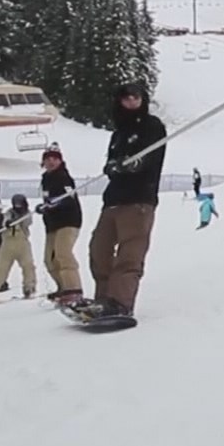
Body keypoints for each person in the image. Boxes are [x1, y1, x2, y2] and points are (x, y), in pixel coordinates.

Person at [75, 81, 167, 320]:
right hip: (114, 200)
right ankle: (103, 299)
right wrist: (112, 167)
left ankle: (120, 303)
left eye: (136, 97)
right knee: (98, 249)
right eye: (126, 98)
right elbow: (112, 163)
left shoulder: (152, 126)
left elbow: (152, 155)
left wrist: (136, 163)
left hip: (139, 200)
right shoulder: (119, 133)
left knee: (130, 253)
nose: (131, 102)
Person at [37, 145, 85, 305]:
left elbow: (69, 197)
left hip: (68, 221)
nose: (51, 162)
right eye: (47, 159)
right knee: (49, 259)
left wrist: (55, 204)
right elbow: (47, 199)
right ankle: (63, 287)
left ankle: (74, 288)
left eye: (54, 159)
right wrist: (44, 208)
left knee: (63, 254)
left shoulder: (63, 177)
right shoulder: (45, 179)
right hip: (52, 224)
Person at [0, 194, 38, 304]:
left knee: (28, 266)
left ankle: (29, 288)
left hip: (22, 243)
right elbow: (4, 221)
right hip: (7, 244)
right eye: (16, 203)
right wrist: (7, 222)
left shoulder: (27, 213)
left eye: (20, 203)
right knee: (1, 269)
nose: (18, 205)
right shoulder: (9, 213)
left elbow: (28, 222)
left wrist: (20, 218)